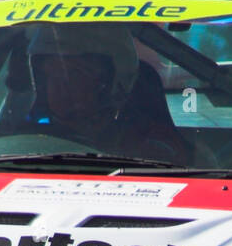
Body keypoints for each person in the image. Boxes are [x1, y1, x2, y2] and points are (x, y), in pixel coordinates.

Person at [16, 24, 190, 163]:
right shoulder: (16, 145)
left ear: (112, 80)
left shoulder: (155, 153)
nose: (60, 87)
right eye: (50, 75)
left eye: (75, 75)